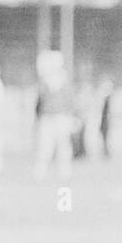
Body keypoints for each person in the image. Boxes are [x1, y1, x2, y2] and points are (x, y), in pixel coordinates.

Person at [33, 49, 75, 181]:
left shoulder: (59, 79)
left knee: (62, 145)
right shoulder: (48, 80)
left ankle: (63, 171)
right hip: (51, 117)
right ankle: (42, 171)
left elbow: (67, 101)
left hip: (59, 117)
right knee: (47, 145)